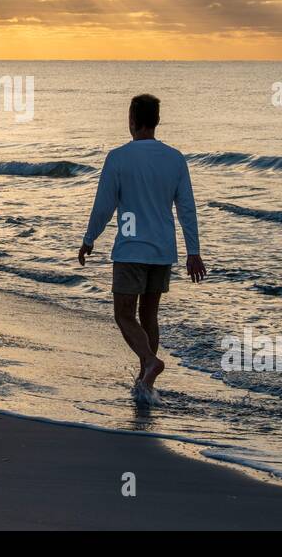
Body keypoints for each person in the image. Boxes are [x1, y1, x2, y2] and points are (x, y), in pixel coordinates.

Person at [78, 93, 205, 398]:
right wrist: (193, 252)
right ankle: (145, 380)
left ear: (132, 120)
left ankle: (149, 362)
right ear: (157, 120)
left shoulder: (118, 157)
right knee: (149, 315)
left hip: (131, 248)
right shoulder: (175, 158)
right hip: (162, 250)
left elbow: (104, 206)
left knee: (123, 314)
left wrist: (88, 239)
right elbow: (186, 207)